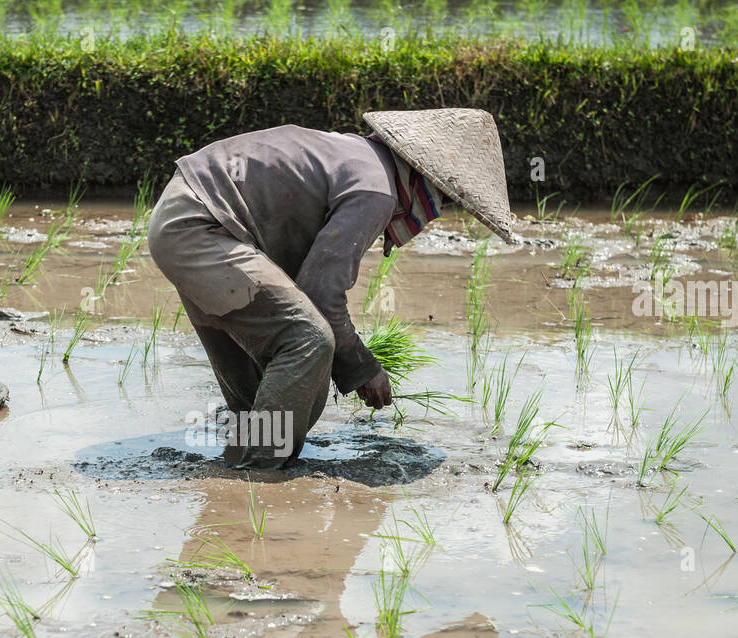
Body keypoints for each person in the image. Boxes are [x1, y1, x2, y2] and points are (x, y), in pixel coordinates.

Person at [146, 108, 516, 470]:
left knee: (258, 391)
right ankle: (254, 479)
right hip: (202, 227)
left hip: (184, 217)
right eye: (444, 199)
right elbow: (321, 294)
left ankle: (239, 475)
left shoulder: (358, 155)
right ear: (426, 181)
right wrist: (362, 367)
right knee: (309, 340)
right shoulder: (377, 190)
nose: (436, 211)